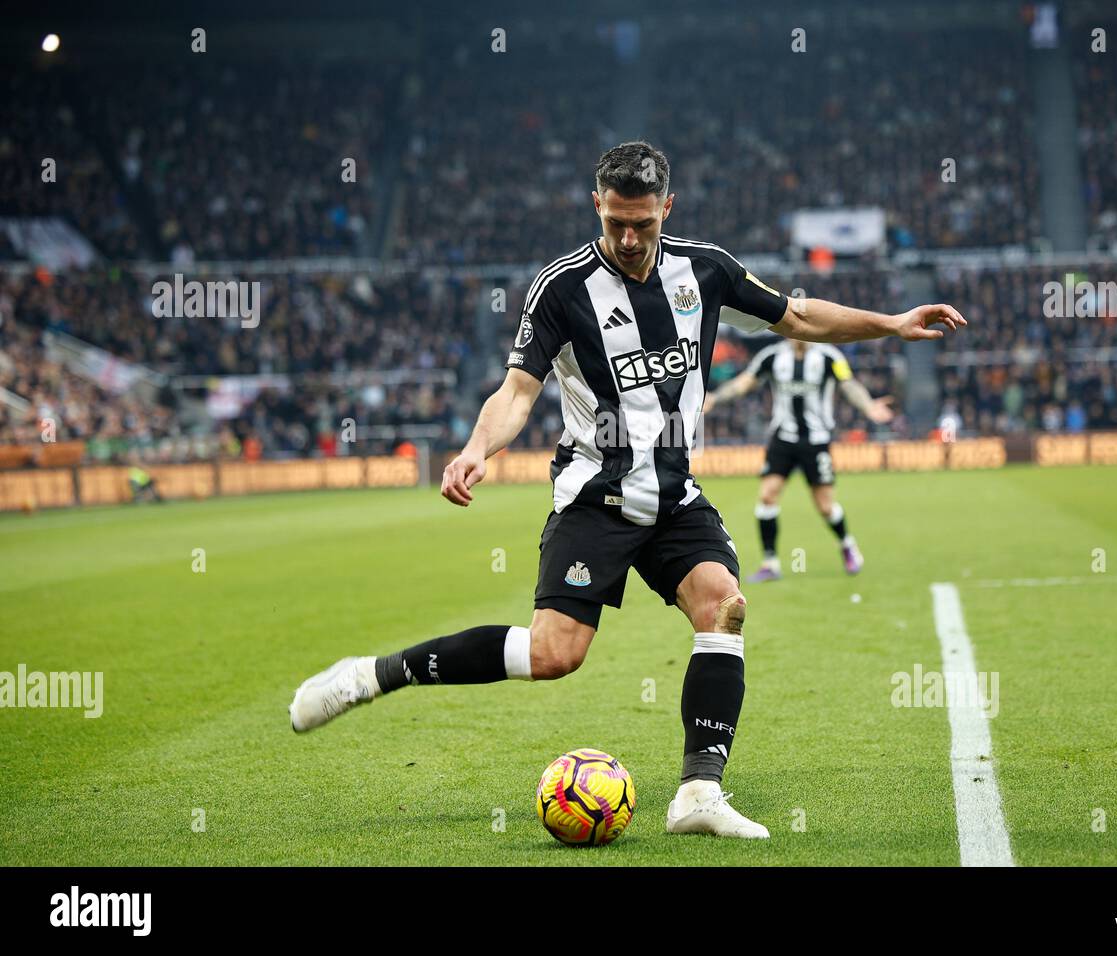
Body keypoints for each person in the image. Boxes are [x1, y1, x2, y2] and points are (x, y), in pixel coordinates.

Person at [288, 141, 966, 839]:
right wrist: (474, 449)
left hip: (674, 495)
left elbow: (796, 317)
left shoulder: (705, 270)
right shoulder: (561, 289)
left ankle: (698, 794)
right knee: (555, 655)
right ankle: (375, 674)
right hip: (595, 495)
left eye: (642, 222)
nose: (630, 238)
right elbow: (517, 390)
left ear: (666, 208)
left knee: (723, 606)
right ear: (597, 207)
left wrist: (890, 325)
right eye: (616, 222)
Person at [701, 338, 894, 581]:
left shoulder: (828, 356)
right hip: (783, 438)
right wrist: (716, 398)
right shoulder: (772, 356)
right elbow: (744, 383)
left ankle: (847, 544)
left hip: (816, 440)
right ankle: (770, 563)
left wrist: (867, 405)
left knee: (825, 506)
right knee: (767, 496)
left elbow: (848, 384)